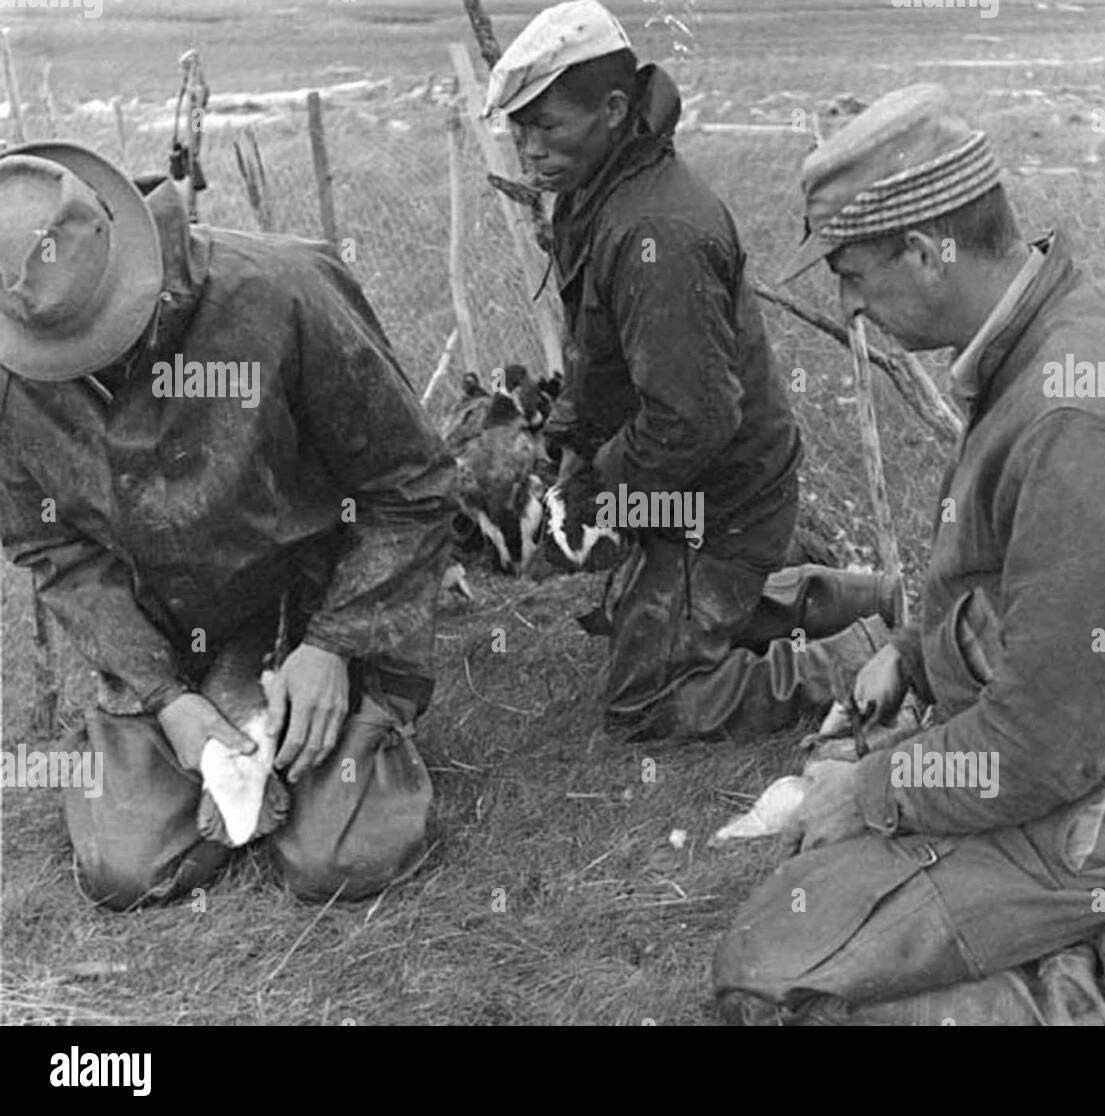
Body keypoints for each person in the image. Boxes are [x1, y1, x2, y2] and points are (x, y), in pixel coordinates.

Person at [712, 85, 1105, 1025]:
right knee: (803, 899)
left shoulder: (1077, 416)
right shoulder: (1036, 347)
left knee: (782, 989)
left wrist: (870, 791)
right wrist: (909, 652)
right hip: (1089, 768)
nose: (851, 307)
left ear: (925, 250)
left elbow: (1046, 745)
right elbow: (1011, 583)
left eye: (853, 274)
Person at [0, 141, 457, 910]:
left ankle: (343, 735)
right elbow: (54, 545)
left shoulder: (285, 291)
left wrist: (336, 644)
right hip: (164, 637)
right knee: (127, 870)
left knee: (335, 860)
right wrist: (164, 695)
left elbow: (414, 488)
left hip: (311, 614)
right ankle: (194, 744)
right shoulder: (12, 360)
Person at [485, 0, 901, 743]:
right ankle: (879, 601)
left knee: (644, 702)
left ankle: (861, 654)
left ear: (614, 109)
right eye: (519, 128)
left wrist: (601, 498)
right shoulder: (600, 192)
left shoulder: (652, 231)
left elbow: (695, 418)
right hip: (692, 481)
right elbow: (600, 354)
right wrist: (573, 452)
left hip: (719, 496)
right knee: (650, 619)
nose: (529, 149)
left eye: (548, 126)